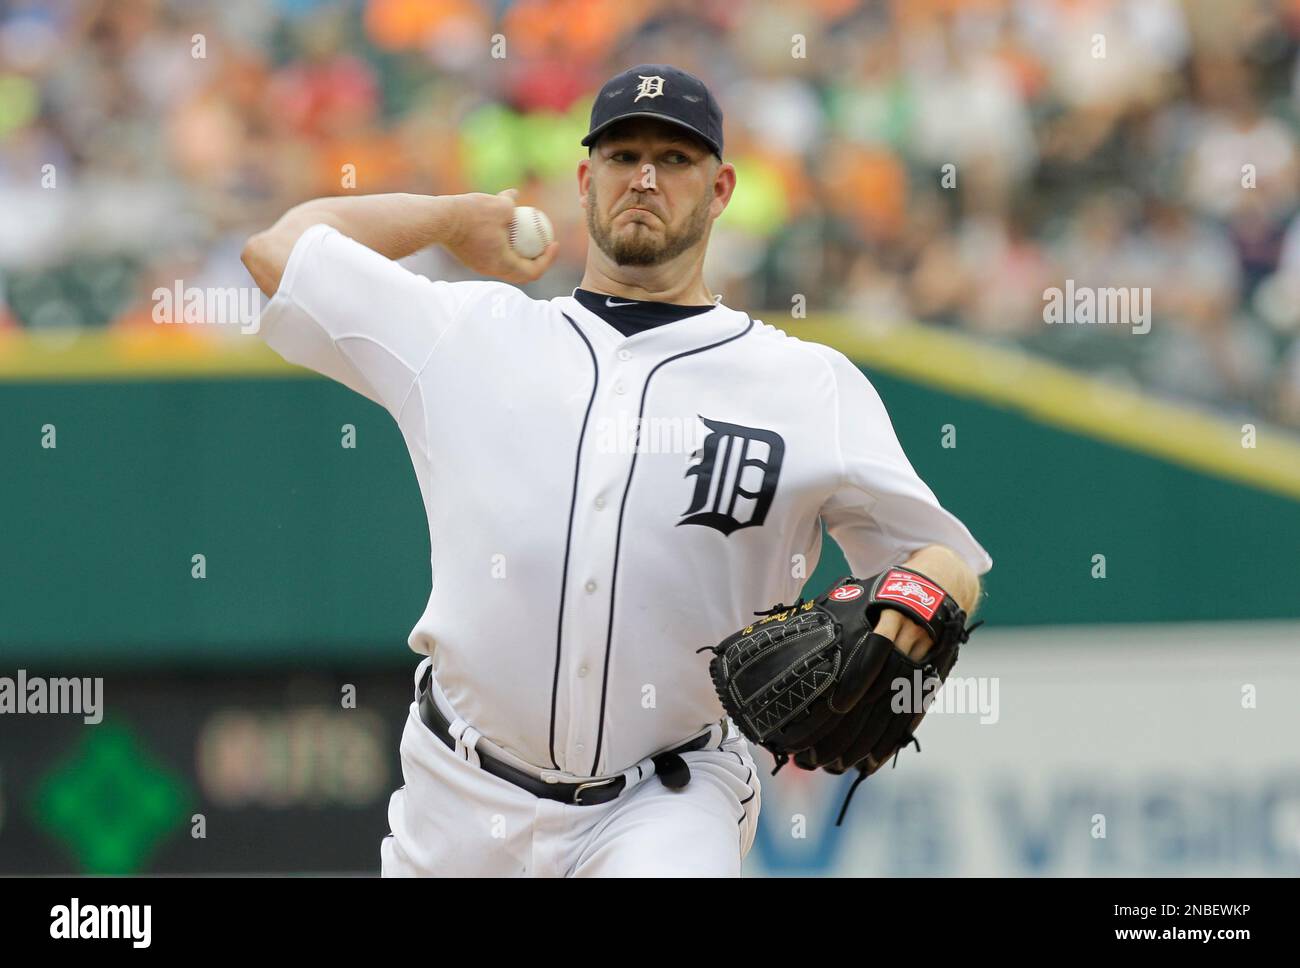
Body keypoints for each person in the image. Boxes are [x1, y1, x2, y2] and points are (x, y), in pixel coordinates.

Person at [239, 64, 992, 877]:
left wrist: (925, 592)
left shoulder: (805, 384)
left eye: (675, 160)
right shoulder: (467, 333)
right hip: (456, 793)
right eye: (623, 154)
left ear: (721, 188)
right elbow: (277, 251)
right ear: (584, 178)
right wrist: (451, 219)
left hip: (666, 798)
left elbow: (944, 560)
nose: (645, 177)